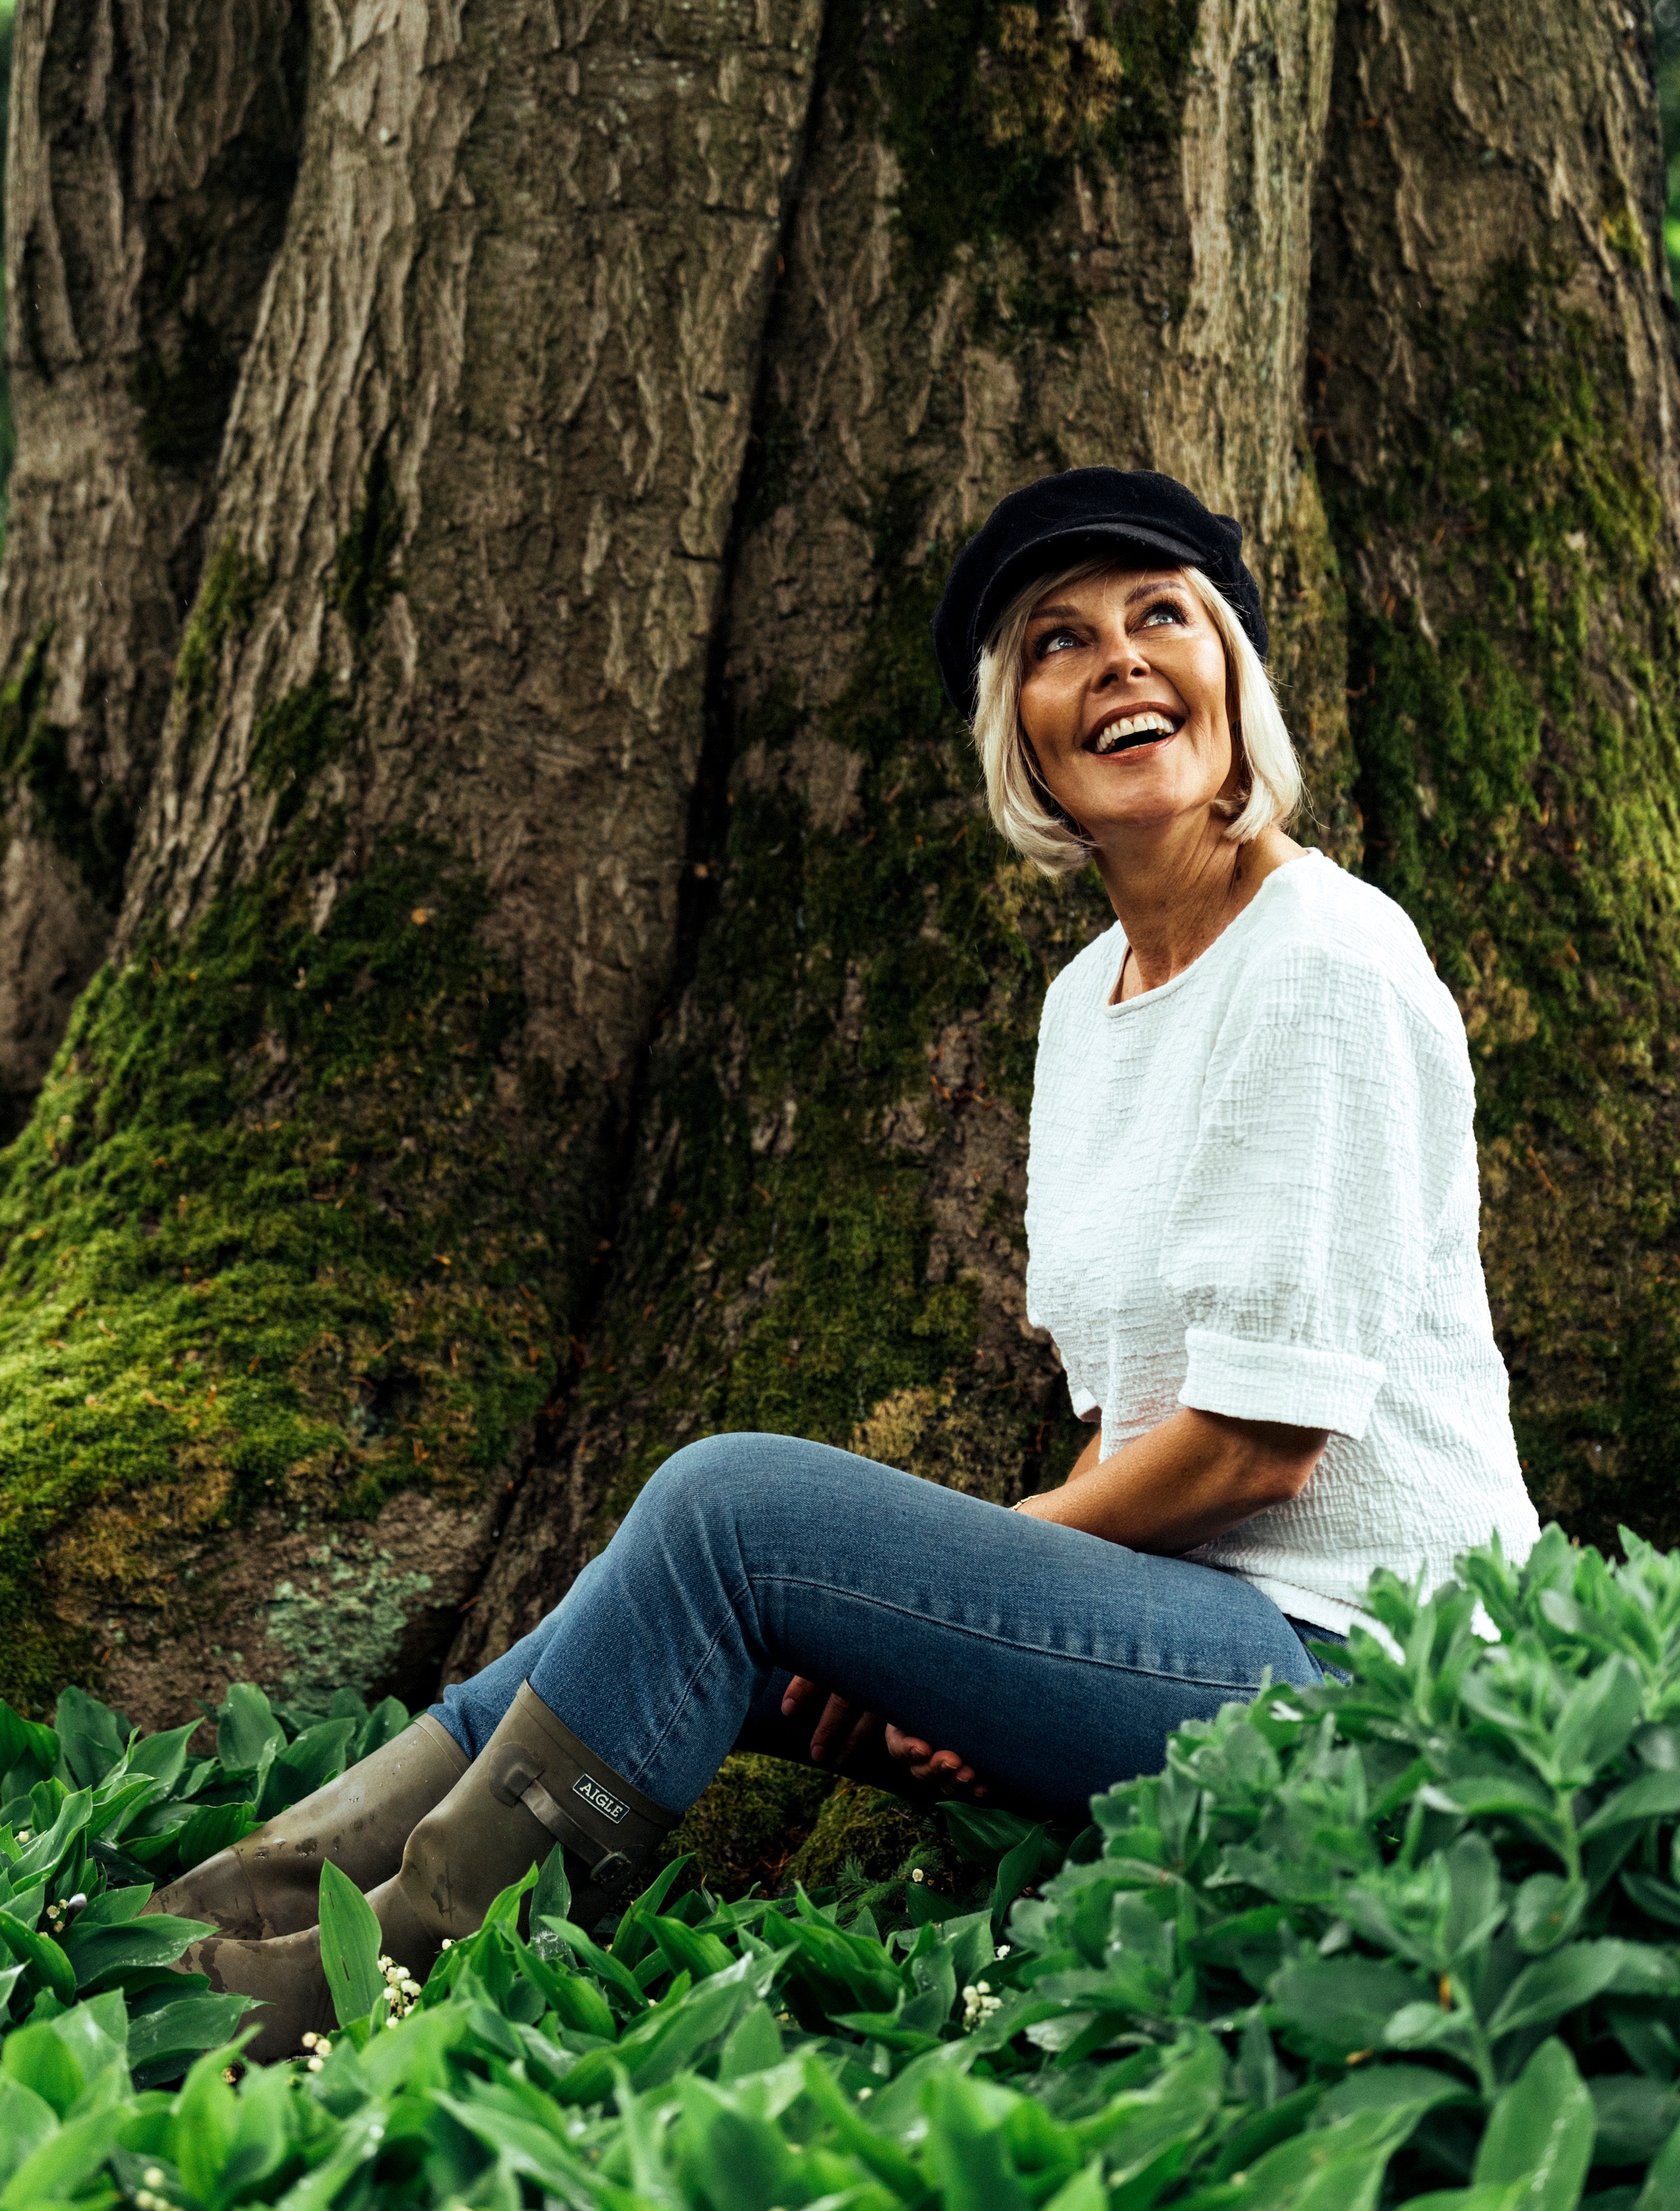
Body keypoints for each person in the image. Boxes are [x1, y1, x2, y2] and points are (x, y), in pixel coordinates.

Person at [146, 467, 1540, 2059]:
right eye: (1059, 640)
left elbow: (1258, 1445)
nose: (1123, 660)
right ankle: (234, 1908)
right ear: (1019, 729)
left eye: (1164, 614)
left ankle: (360, 1978)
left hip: (1360, 1679)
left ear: (1232, 669)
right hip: (1177, 1631)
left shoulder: (1326, 962)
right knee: (693, 1597)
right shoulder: (1088, 1008)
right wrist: (967, 1635)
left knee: (731, 1506)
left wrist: (981, 1569)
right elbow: (1143, 1413)